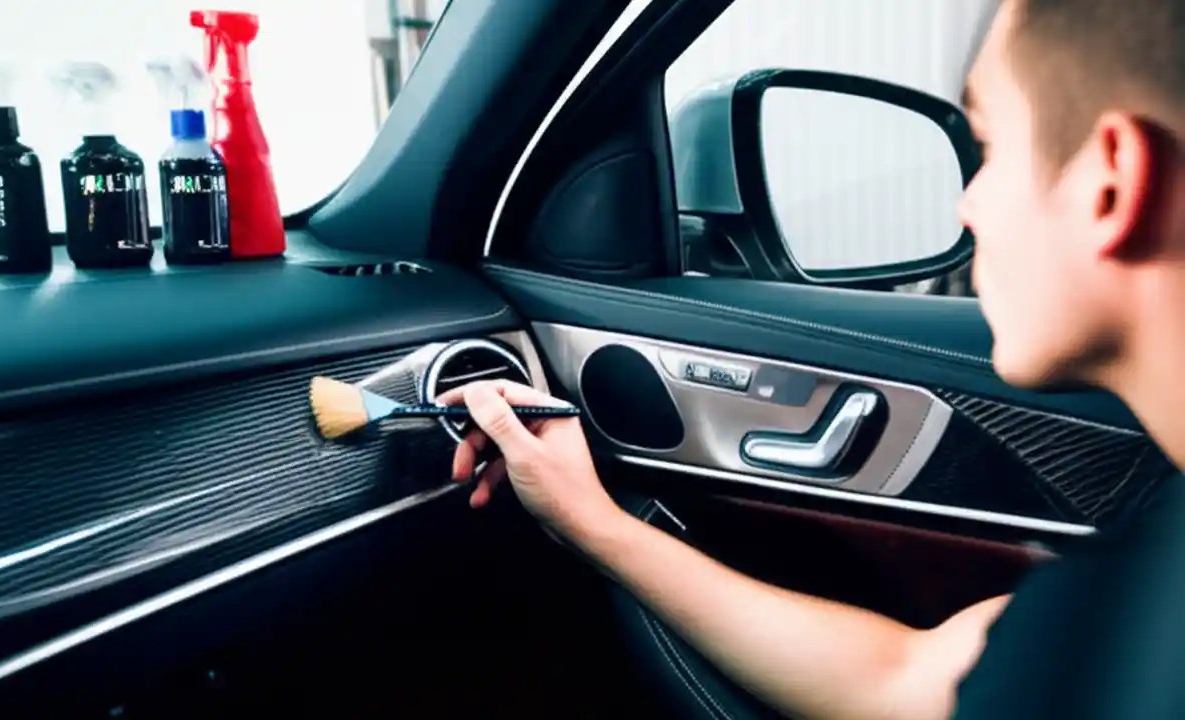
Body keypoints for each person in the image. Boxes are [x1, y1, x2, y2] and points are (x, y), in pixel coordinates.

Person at [440, 0, 1185, 717]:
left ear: (1110, 181)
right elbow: (909, 681)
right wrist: (589, 521)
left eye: (990, 152)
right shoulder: (1129, 577)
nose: (969, 206)